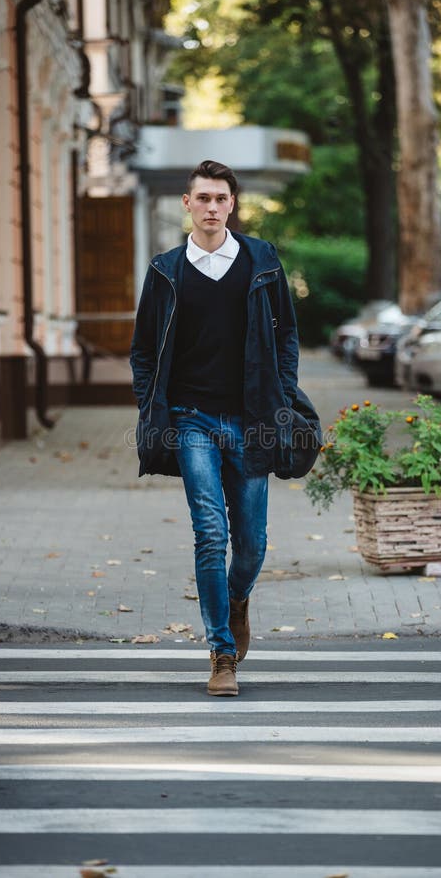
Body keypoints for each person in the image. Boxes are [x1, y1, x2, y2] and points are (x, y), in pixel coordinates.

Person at [129, 160, 299, 696]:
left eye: (221, 199)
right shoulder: (165, 271)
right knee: (210, 534)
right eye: (202, 198)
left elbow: (288, 335)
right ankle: (221, 652)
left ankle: (237, 597)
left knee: (251, 544)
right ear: (187, 203)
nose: (211, 207)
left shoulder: (261, 261)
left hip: (253, 421)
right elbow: (142, 350)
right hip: (191, 420)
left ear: (232, 204)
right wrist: (151, 406)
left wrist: (284, 396)